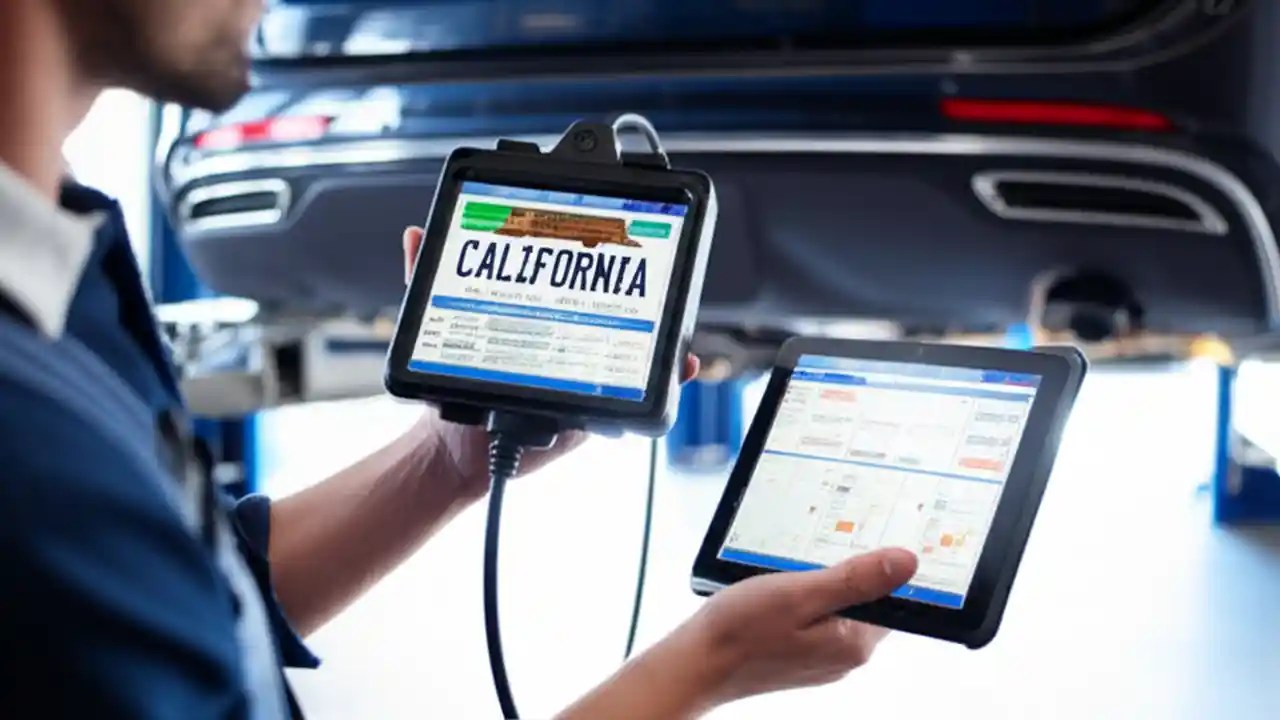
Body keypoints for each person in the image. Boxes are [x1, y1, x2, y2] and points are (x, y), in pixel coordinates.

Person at [0, 1, 919, 718]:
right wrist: (708, 665)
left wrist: (443, 463)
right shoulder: (27, 429)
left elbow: (191, 593)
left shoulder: (60, 274)